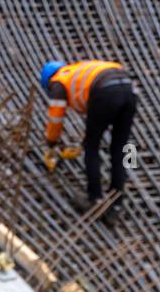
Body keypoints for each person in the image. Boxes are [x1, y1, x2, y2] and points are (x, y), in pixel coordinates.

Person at [40, 59, 137, 225]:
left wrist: (51, 143)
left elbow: (55, 118)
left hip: (106, 91)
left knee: (91, 146)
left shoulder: (58, 83)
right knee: (120, 148)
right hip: (129, 88)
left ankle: (94, 198)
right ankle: (117, 205)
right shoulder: (77, 70)